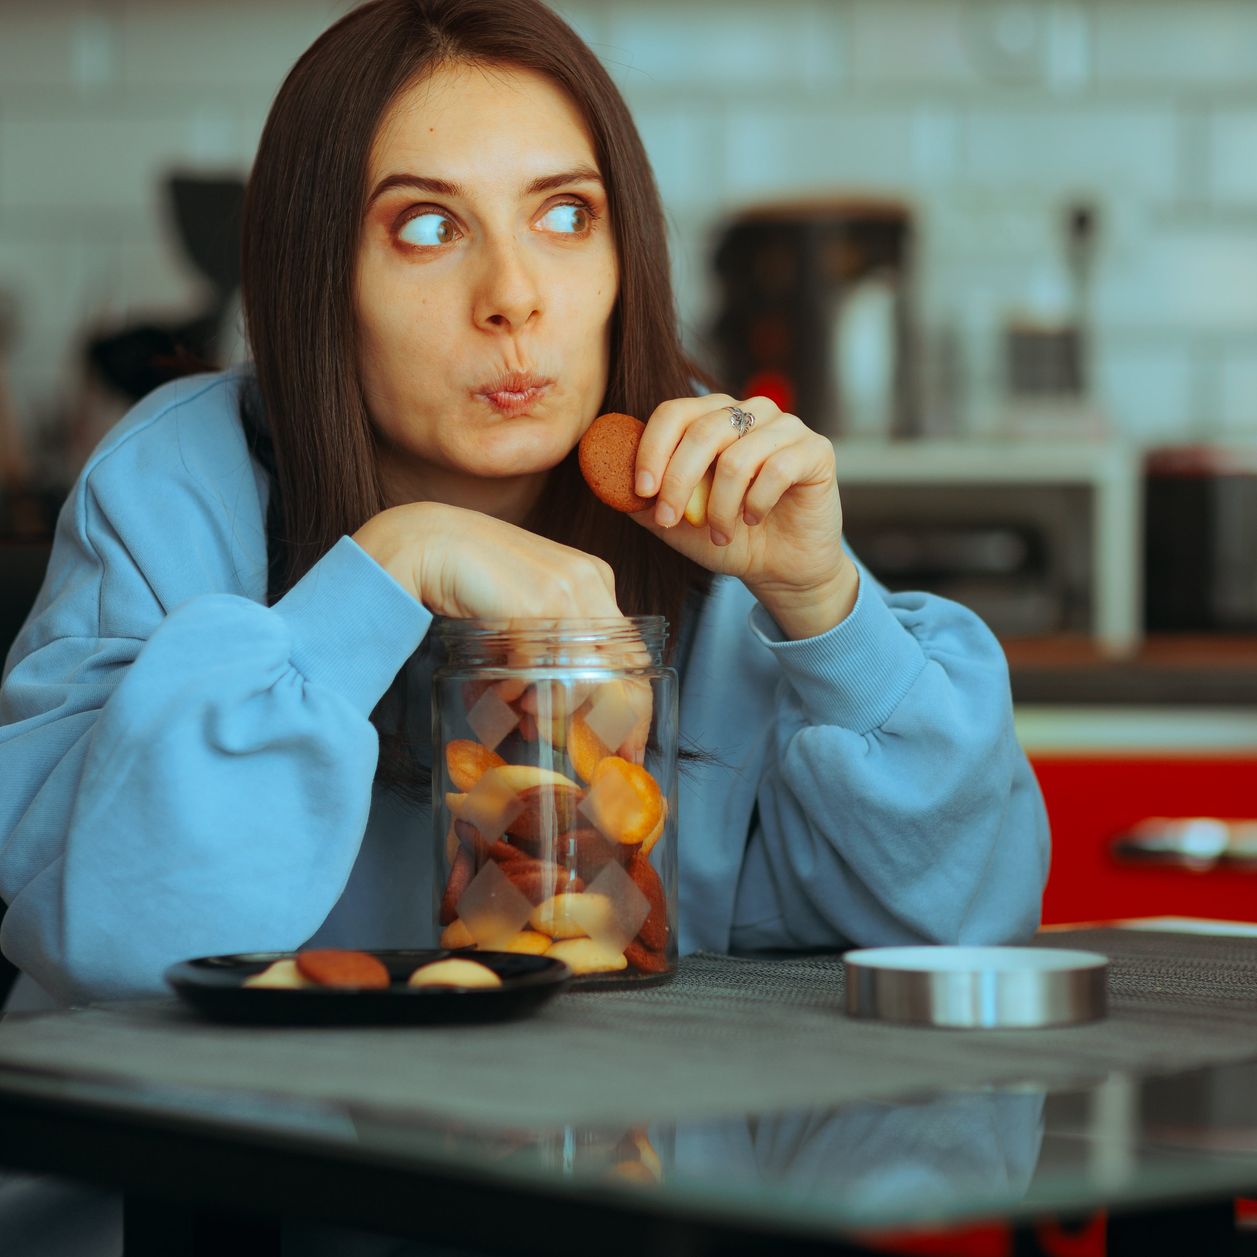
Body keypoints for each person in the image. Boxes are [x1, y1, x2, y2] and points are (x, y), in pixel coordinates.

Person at [0, 0, 1049, 1008]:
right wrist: (391, 568)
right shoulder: (175, 484)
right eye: (426, 226)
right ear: (317, 276)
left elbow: (969, 925)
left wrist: (823, 600)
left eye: (563, 215)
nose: (515, 293)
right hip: (233, 1182)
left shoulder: (711, 508)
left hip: (609, 1163)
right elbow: (122, 945)